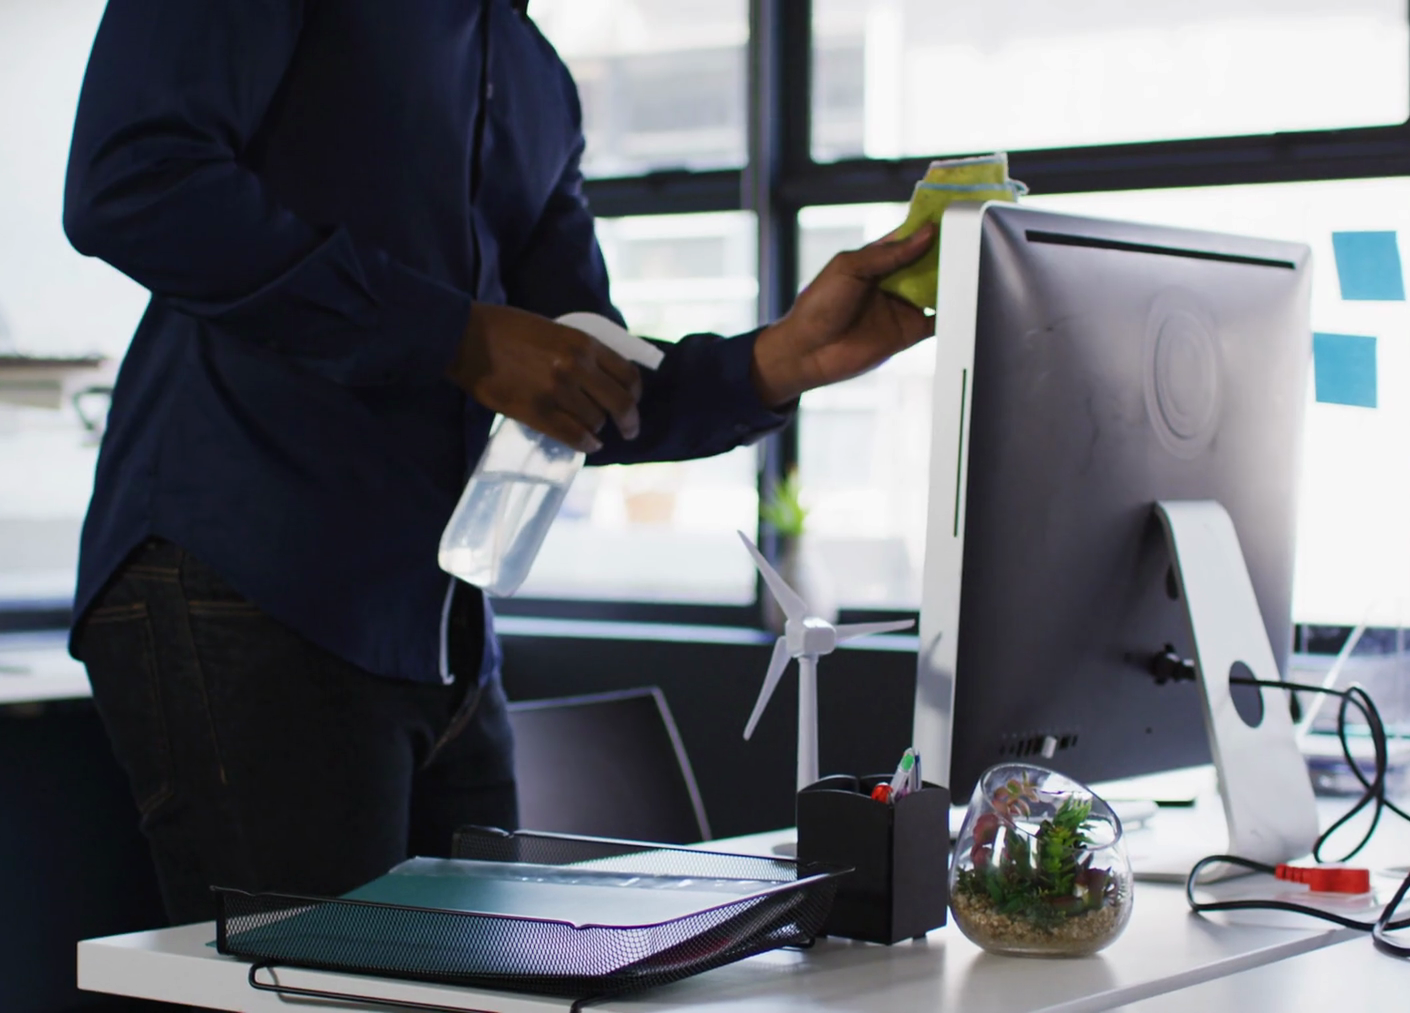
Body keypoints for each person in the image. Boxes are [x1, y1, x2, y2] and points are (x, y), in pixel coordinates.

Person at [62, 0, 934, 925]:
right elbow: (135, 182)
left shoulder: (531, 72)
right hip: (246, 575)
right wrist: (459, 335)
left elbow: (571, 372)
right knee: (315, 989)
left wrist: (777, 361)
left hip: (446, 638)